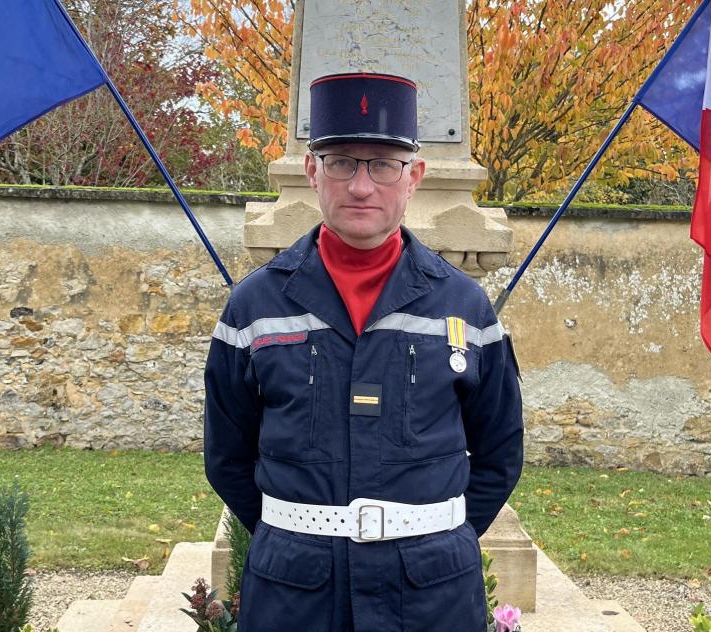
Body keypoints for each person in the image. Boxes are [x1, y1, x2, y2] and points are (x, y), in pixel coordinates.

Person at [204, 72, 524, 632]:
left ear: (414, 177)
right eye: (341, 162)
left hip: (430, 598)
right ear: (312, 171)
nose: (360, 185)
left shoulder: (465, 306)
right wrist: (299, 534)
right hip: (295, 598)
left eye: (382, 164)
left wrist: (431, 534)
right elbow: (228, 456)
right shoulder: (253, 306)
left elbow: (500, 450)